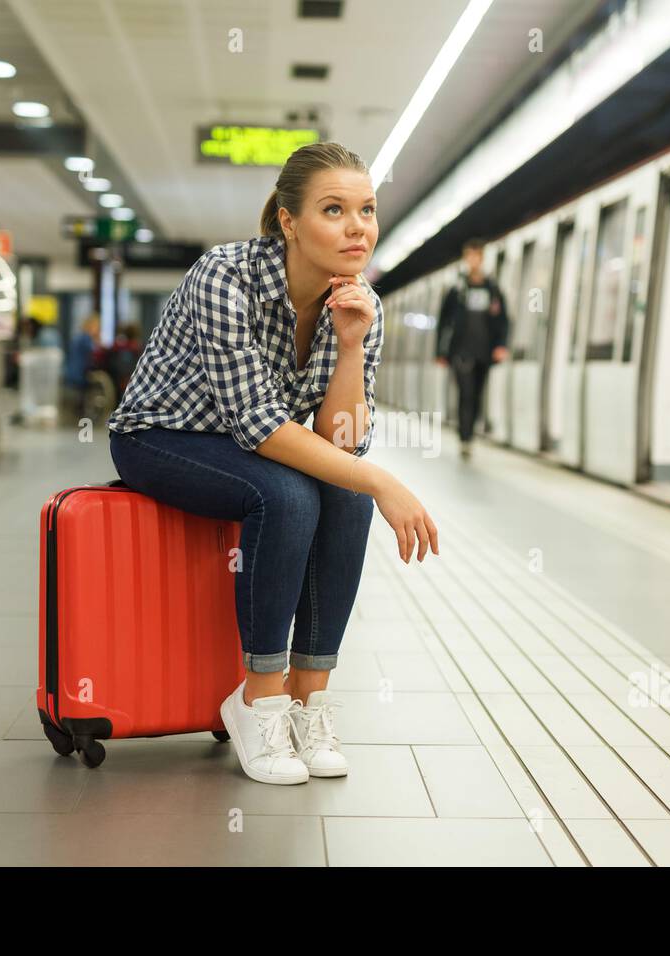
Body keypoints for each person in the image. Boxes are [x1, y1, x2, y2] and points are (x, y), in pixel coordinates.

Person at [107, 142, 439, 787]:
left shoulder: (362, 302)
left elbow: (340, 443)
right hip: (162, 435)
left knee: (341, 494)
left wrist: (349, 347)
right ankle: (260, 698)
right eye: (333, 209)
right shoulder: (224, 274)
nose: (356, 227)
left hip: (250, 444)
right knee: (288, 496)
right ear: (288, 221)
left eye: (366, 210)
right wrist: (385, 481)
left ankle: (310, 698)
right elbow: (258, 425)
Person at [434, 238, 510, 459]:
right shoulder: (457, 289)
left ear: (482, 258)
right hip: (461, 351)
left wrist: (501, 345)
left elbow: (503, 320)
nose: (473, 261)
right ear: (466, 259)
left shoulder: (493, 288)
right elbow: (443, 321)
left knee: (477, 394)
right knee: (465, 393)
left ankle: (469, 434)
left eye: (477, 256)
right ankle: (465, 437)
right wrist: (440, 351)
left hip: (484, 352)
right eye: (469, 256)